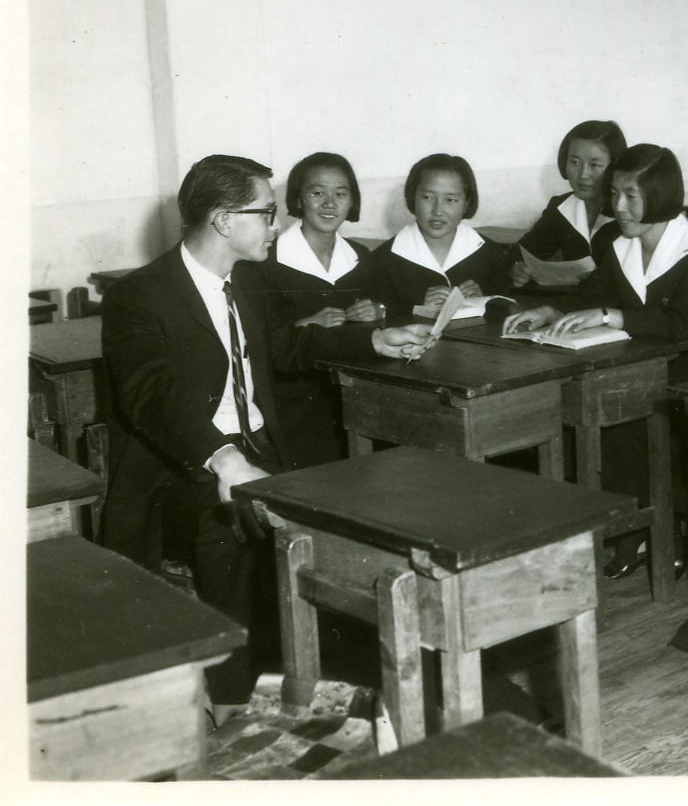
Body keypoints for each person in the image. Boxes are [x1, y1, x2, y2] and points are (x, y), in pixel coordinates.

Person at [100, 155, 432, 719]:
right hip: (186, 465)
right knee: (227, 532)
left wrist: (374, 340)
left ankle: (328, 680)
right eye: (268, 212)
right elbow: (153, 398)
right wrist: (226, 460)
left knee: (354, 528)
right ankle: (234, 705)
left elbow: (284, 348)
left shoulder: (250, 279)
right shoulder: (140, 296)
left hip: (264, 448)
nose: (277, 225)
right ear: (226, 220)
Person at [503, 144, 688, 576]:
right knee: (580, 417)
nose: (618, 206)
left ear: (660, 196)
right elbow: (592, 295)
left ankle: (656, 532)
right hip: (634, 369)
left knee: (622, 425)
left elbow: (683, 323)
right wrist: (554, 312)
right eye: (616, 194)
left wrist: (612, 315)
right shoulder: (619, 244)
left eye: (631, 196)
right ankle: (629, 532)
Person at [257, 152, 379, 468]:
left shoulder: (361, 258)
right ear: (298, 198)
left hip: (352, 396)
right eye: (317, 193)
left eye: (341, 194)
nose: (329, 204)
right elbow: (262, 342)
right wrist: (306, 323)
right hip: (296, 402)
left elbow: (380, 314)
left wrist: (376, 312)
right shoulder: (268, 263)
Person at [366, 153, 510, 317]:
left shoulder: (490, 254)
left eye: (450, 200)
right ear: (412, 198)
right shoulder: (383, 260)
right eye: (427, 197)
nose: (437, 211)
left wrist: (483, 301)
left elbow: (505, 314)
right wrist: (419, 310)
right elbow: (378, 322)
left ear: (466, 203)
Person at [511, 119, 626, 287]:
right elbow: (521, 252)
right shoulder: (561, 208)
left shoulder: (627, 211)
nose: (583, 174)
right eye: (575, 162)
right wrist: (517, 268)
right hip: (572, 305)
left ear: (615, 166)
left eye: (595, 165)